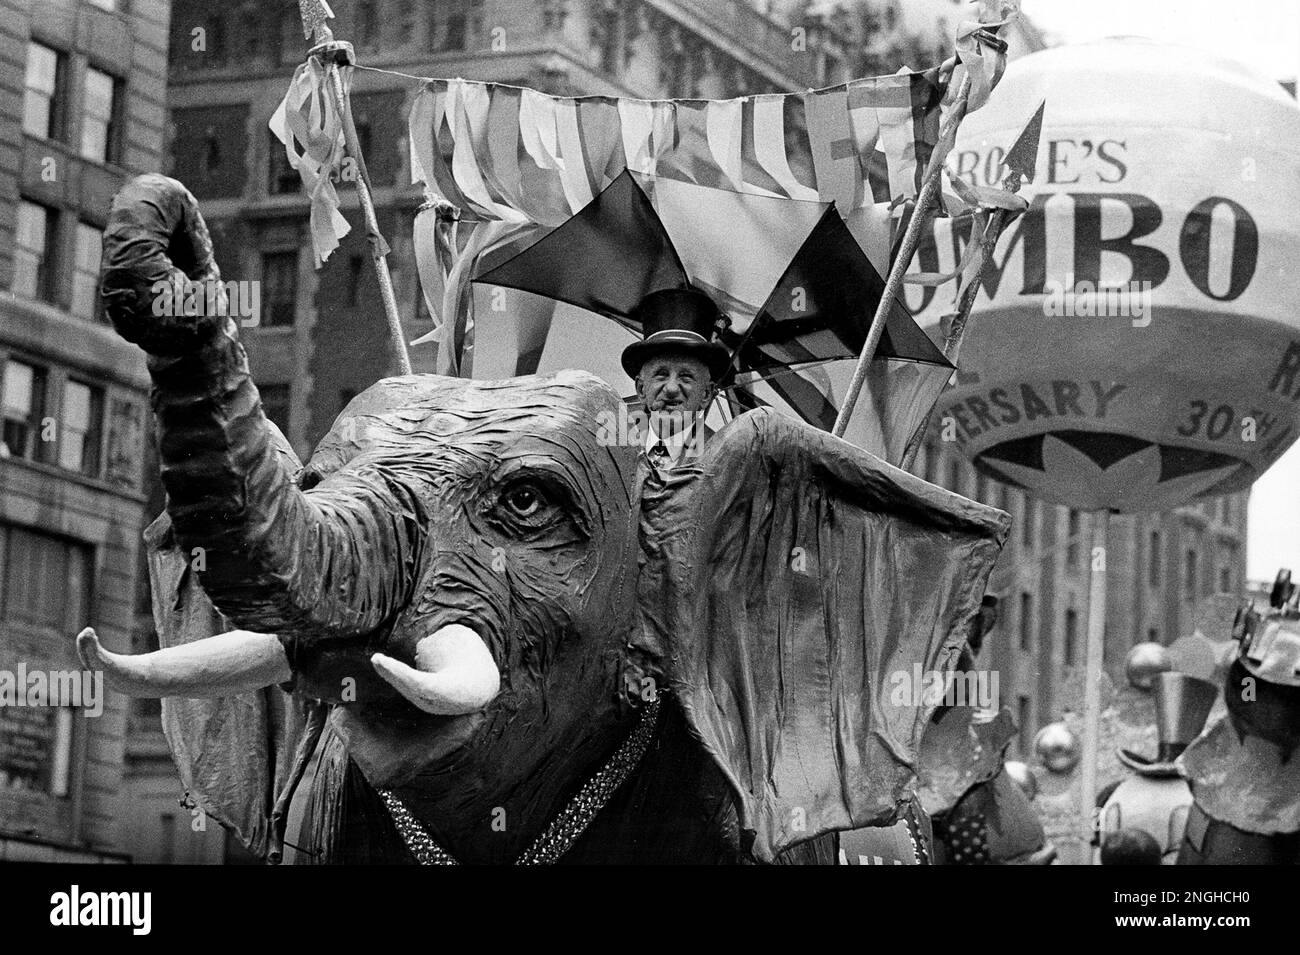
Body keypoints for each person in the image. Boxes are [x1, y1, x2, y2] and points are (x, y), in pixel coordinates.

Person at [620, 287, 731, 477]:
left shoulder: (722, 465)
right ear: (641, 389)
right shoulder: (613, 442)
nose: (671, 388)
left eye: (686, 377)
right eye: (661, 375)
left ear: (706, 394)